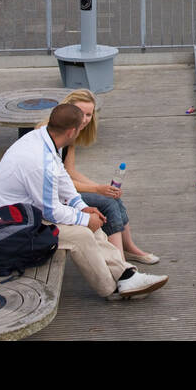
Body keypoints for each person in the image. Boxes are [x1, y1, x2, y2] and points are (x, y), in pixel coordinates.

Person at [0, 102, 167, 300]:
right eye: (81, 128)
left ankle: (127, 275)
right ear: (72, 131)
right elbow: (51, 211)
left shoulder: (44, 139)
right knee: (82, 235)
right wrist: (84, 220)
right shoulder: (39, 162)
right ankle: (112, 290)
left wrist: (83, 207)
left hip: (27, 212)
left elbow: (63, 178)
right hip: (10, 226)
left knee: (90, 221)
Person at [52, 89, 160, 264]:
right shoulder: (51, 132)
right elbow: (57, 182)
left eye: (89, 114)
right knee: (107, 204)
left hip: (63, 190)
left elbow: (69, 172)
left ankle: (129, 247)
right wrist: (96, 189)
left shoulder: (72, 133)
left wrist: (103, 189)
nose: (85, 119)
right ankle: (121, 264)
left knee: (112, 197)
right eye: (81, 113)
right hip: (51, 197)